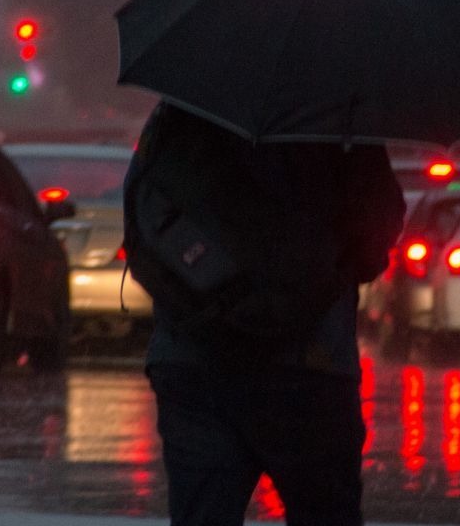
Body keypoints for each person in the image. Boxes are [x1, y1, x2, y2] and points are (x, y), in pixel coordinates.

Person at [124, 103, 405, 526]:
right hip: (310, 364)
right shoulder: (339, 115)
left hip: (195, 359)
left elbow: (143, 225)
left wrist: (209, 295)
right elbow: (372, 243)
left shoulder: (184, 109)